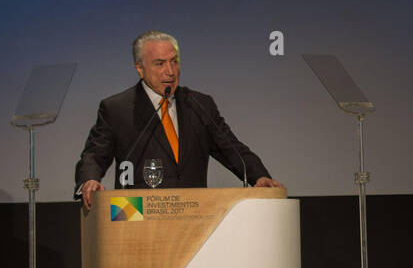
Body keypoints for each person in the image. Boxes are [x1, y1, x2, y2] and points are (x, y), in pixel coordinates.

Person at [75, 30, 281, 207]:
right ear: (140, 68)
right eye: (160, 63)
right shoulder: (117, 108)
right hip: (136, 213)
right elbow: (94, 155)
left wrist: (259, 176)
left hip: (193, 213)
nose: (170, 71)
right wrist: (89, 180)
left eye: (174, 61)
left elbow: (232, 148)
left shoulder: (199, 105)